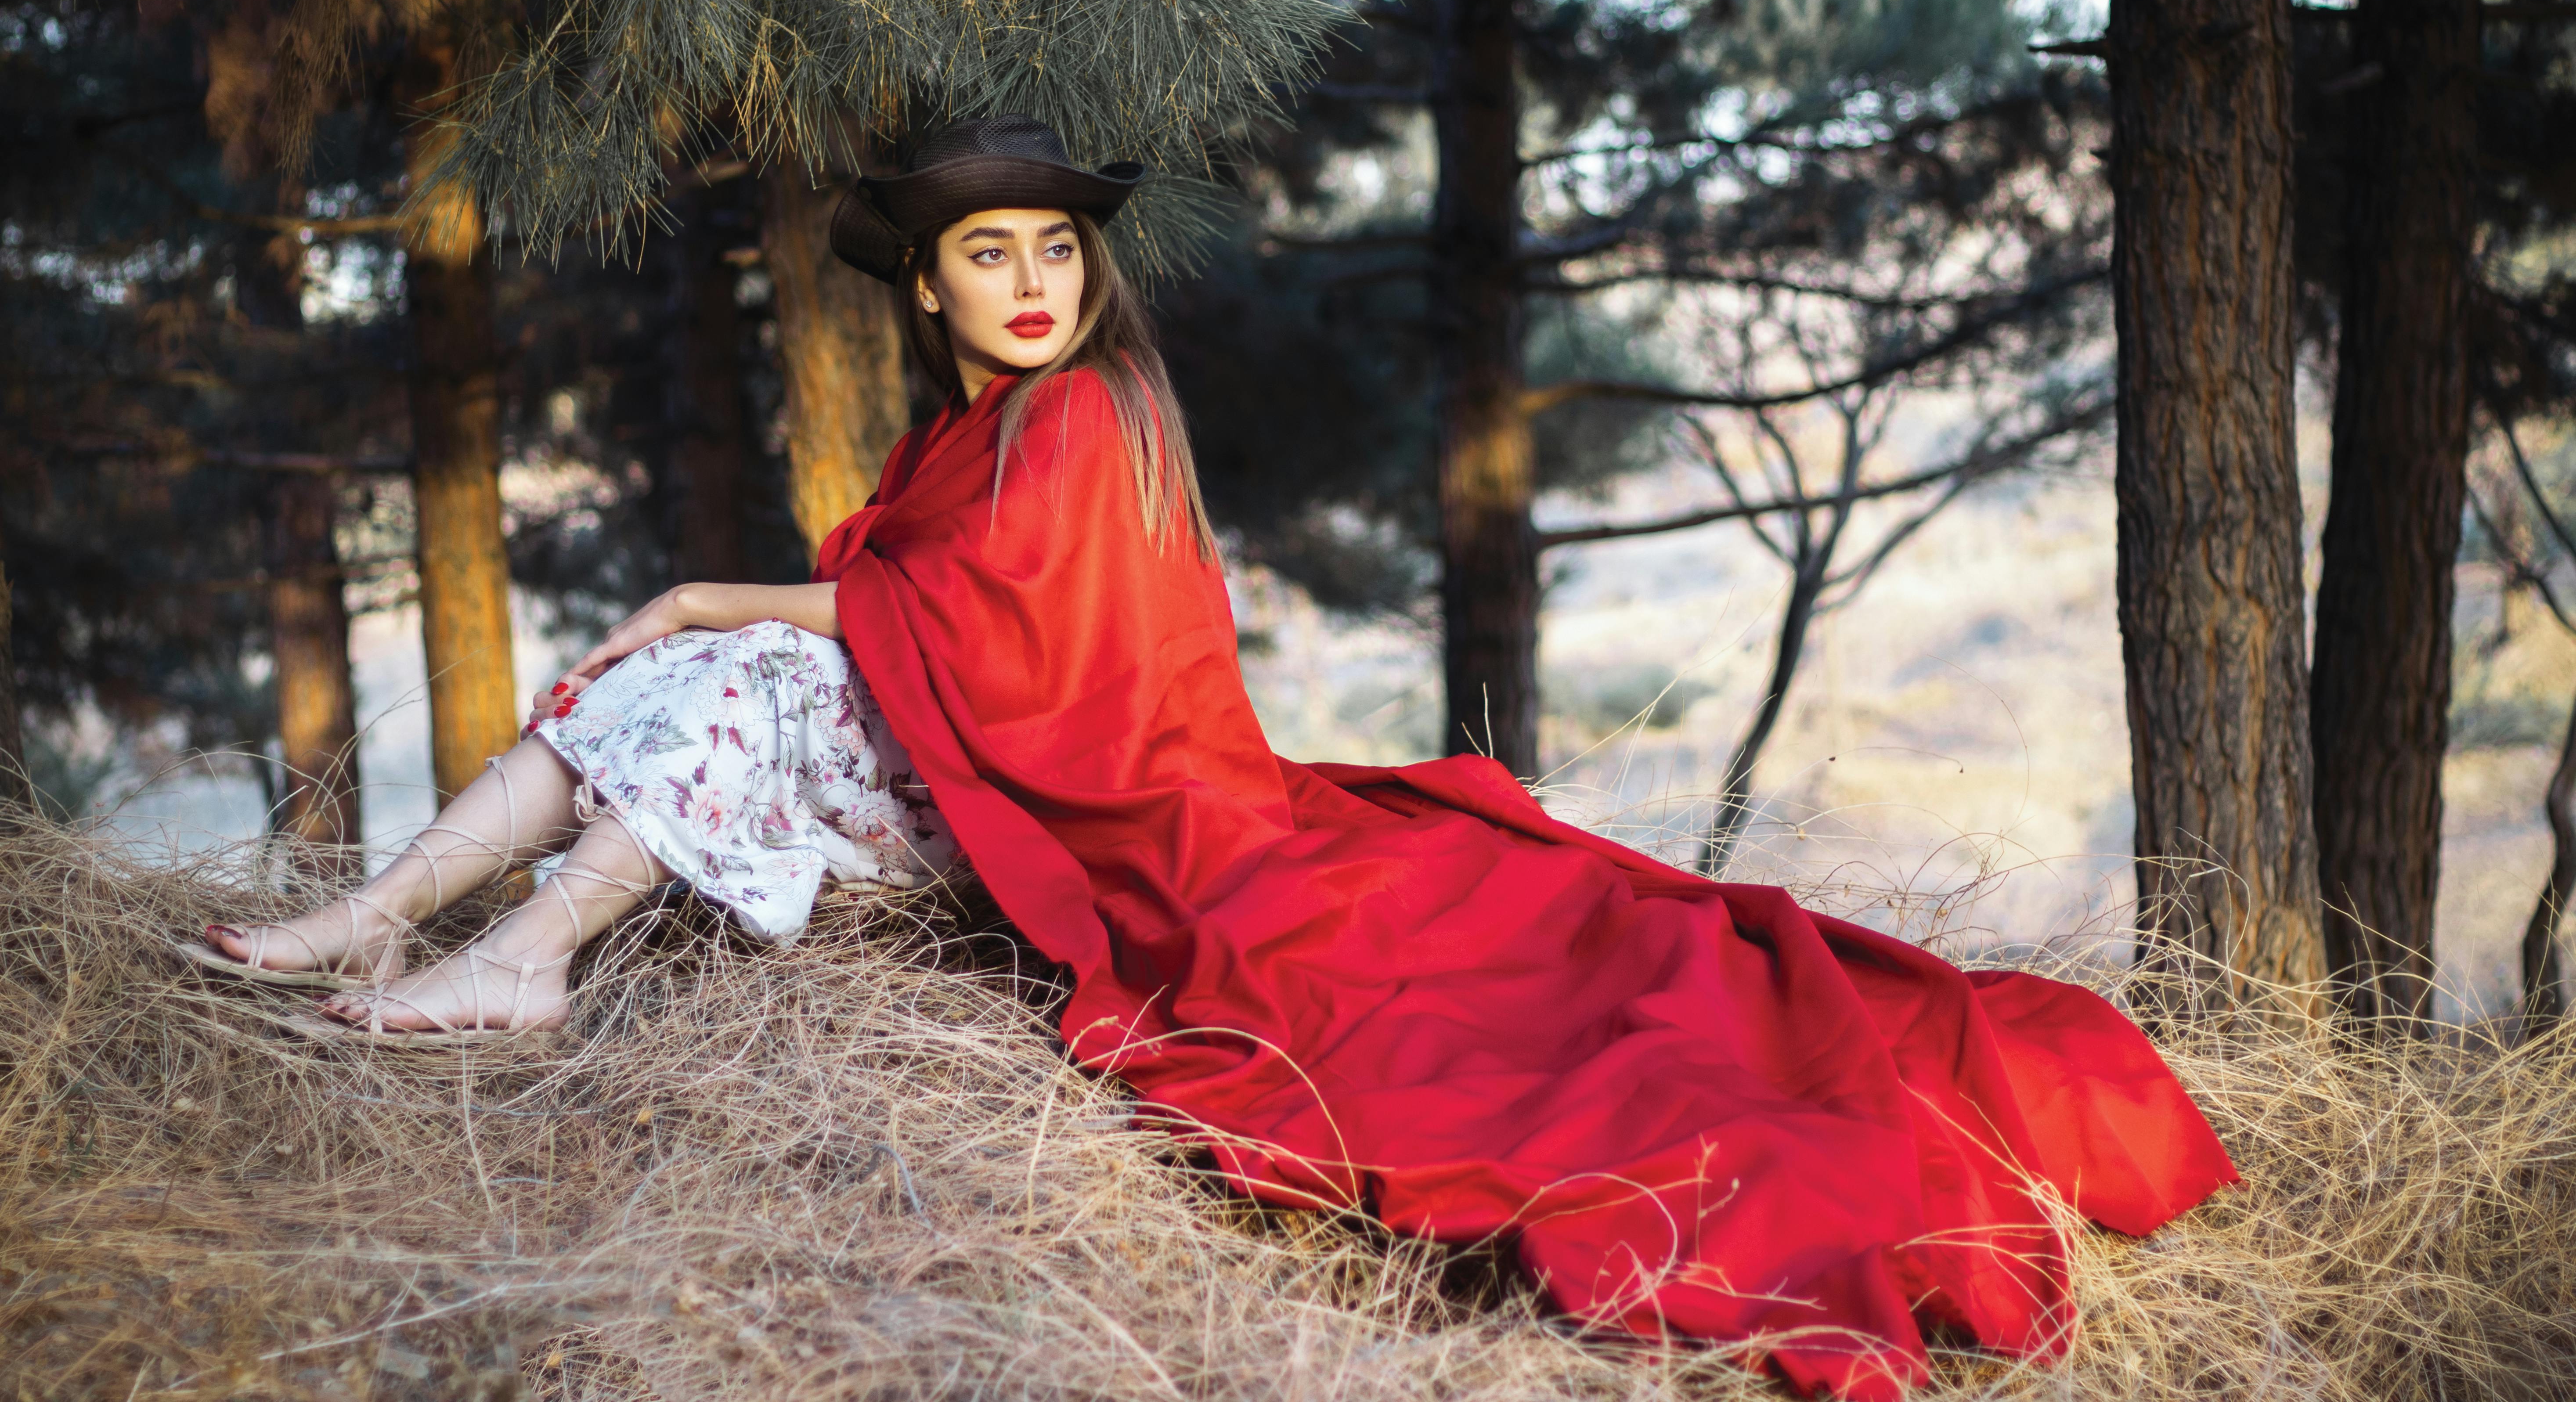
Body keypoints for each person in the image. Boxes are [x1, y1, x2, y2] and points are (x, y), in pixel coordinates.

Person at [190, 115, 2236, 1400]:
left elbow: (1000, 641)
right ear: (930, 285)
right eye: (989, 256)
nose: (1031, 283)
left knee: (717, 671)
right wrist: (710, 616)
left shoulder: (1083, 420)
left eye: (1054, 252)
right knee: (679, 672)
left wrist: (720, 601)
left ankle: (507, 952)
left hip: (1136, 824)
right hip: (983, 783)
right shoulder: (965, 430)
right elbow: (935, 621)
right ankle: (391, 920)